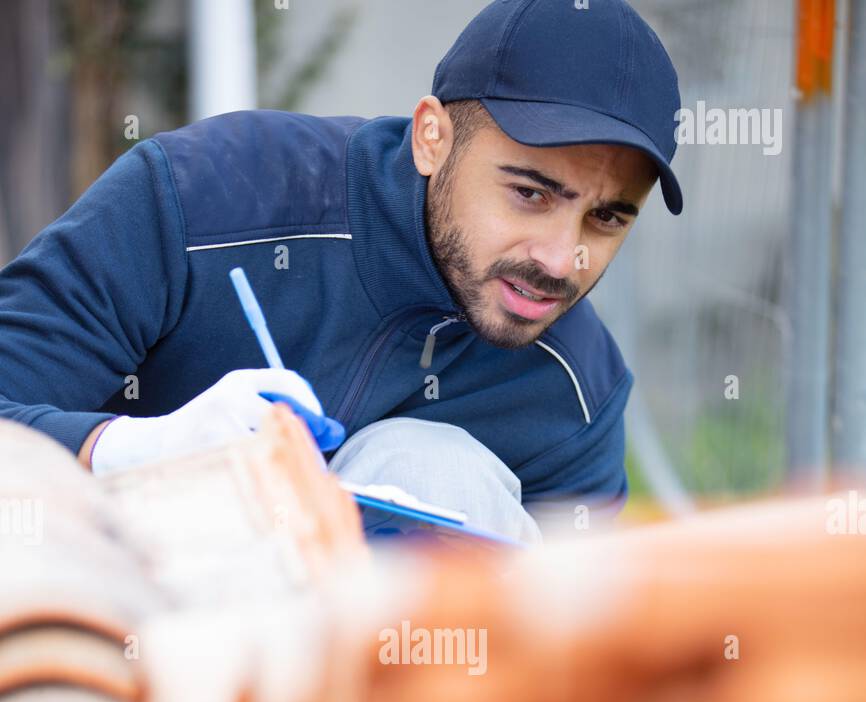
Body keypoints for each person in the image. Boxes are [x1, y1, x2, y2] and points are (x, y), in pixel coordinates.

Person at [0, 0, 683, 542]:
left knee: (429, 469)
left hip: (384, 700)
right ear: (431, 138)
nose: (560, 260)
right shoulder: (204, 197)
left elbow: (581, 659)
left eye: (607, 218)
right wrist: (136, 448)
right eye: (530, 194)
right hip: (117, 647)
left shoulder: (577, 392)